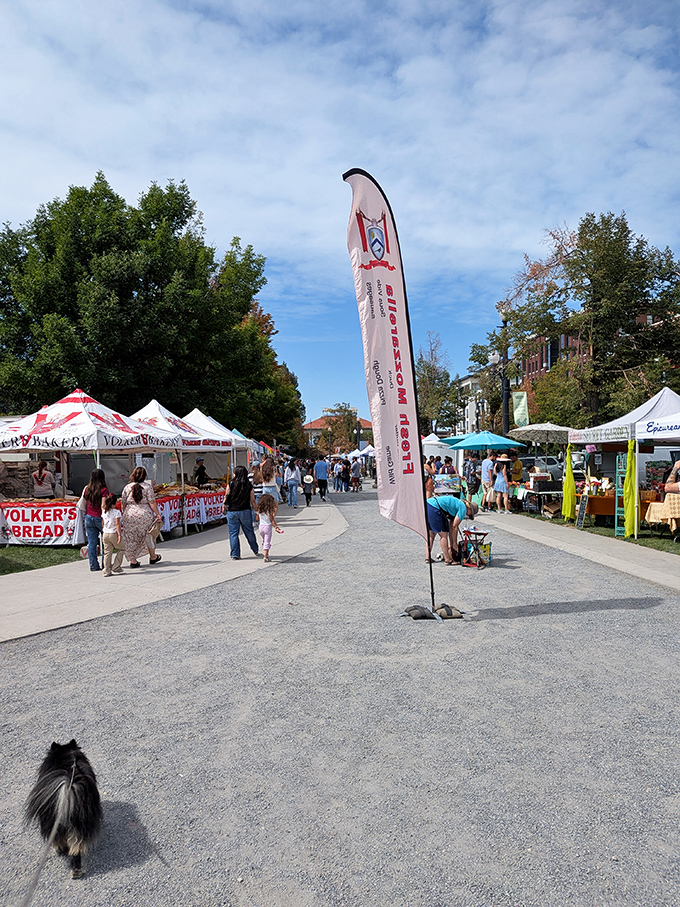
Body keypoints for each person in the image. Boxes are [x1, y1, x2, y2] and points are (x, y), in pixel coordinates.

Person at [121, 466, 163, 567]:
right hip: (144, 514)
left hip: (130, 514)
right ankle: (153, 556)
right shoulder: (147, 487)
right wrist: (157, 514)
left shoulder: (127, 487)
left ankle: (133, 560)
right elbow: (152, 502)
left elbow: (123, 502)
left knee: (131, 538)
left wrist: (125, 512)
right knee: (149, 536)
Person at [426, 494, 479, 564]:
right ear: (469, 508)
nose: (467, 515)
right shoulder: (463, 508)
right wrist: (454, 544)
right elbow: (455, 526)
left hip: (428, 504)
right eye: (470, 514)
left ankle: (427, 557)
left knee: (431, 535)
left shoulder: (458, 504)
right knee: (443, 535)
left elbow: (451, 527)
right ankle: (447, 559)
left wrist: (452, 542)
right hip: (435, 507)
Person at [223, 465, 259, 559]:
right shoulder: (249, 485)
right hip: (245, 510)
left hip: (232, 511)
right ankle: (255, 548)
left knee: (233, 533)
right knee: (249, 531)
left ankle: (235, 554)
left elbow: (226, 497)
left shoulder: (230, 484)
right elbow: (253, 500)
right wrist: (257, 510)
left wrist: (223, 507)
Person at [82, 468, 109, 572]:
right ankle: (105, 564)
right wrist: (104, 516)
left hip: (88, 517)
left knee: (92, 543)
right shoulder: (104, 490)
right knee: (105, 543)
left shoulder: (87, 489)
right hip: (99, 517)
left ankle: (93, 565)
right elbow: (103, 505)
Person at [255, 492, 283, 563]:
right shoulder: (269, 511)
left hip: (261, 527)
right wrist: (276, 527)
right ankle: (265, 556)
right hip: (267, 527)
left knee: (264, 540)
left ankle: (266, 552)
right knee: (267, 541)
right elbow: (272, 520)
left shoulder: (259, 510)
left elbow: (257, 519)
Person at [101, 494, 125, 577]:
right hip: (113, 533)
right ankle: (116, 566)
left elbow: (103, 522)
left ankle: (106, 570)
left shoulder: (104, 511)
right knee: (122, 548)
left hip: (105, 533)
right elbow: (117, 523)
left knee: (107, 552)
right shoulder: (116, 512)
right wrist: (119, 534)